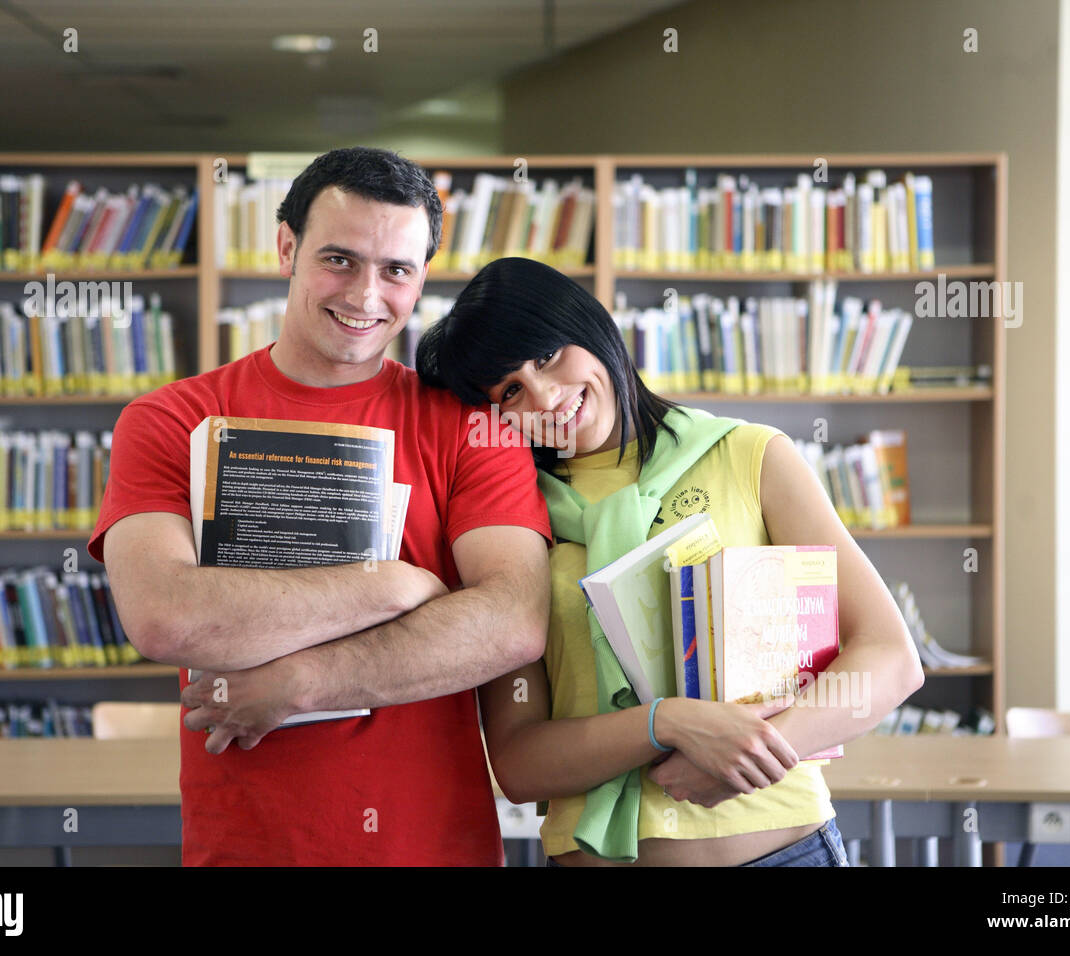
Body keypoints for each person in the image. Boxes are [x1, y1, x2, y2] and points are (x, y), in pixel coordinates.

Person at [89, 149, 552, 866]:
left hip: (432, 848)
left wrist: (298, 683)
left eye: (397, 269)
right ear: (286, 248)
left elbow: (514, 620)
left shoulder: (468, 423)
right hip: (247, 848)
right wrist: (394, 584)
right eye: (340, 259)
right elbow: (168, 615)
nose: (367, 295)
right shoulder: (168, 420)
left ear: (423, 276)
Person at [416, 256, 925, 866]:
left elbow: (890, 659)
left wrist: (748, 756)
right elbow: (519, 762)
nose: (547, 396)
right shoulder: (510, 525)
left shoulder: (750, 455)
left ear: (589, 323)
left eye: (549, 355)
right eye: (511, 391)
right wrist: (670, 724)